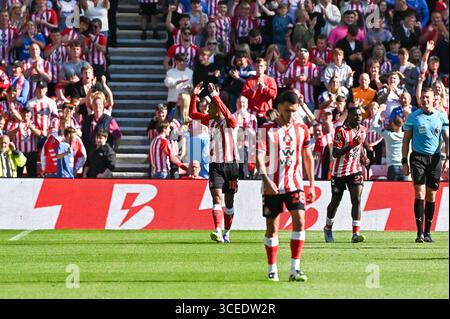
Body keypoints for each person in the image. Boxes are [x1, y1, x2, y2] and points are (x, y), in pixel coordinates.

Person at [256, 89, 316, 282]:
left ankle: (294, 269)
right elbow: (258, 156)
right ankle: (272, 269)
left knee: (300, 221)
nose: (291, 114)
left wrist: (311, 184)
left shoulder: (302, 129)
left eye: (294, 111)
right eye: (288, 110)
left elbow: (307, 157)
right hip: (272, 185)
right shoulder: (266, 129)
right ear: (279, 107)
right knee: (273, 228)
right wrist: (265, 179)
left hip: (295, 184)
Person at [189, 81, 239, 244]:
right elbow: (192, 114)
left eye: (211, 108)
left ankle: (227, 231)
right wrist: (194, 95)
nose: (208, 110)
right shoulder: (209, 120)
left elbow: (226, 112)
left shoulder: (231, 122)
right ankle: (217, 230)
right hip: (215, 165)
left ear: (218, 109)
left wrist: (215, 96)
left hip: (231, 165)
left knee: (229, 202)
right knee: (217, 198)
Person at [402, 88, 449, 243]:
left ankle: (428, 233)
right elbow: (406, 140)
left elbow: (447, 138)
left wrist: (448, 157)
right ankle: (419, 233)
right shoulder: (413, 117)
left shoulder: (441, 116)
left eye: (428, 97)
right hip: (418, 158)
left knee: (431, 195)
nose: (425, 100)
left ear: (434, 98)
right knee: (420, 194)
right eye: (423, 98)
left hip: (435, 159)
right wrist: (404, 161)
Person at [323, 107, 370, 243]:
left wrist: (363, 158)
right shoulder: (341, 131)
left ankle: (356, 233)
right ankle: (328, 228)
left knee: (357, 200)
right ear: (349, 116)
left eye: (360, 115)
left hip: (355, 170)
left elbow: (360, 147)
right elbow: (335, 153)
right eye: (356, 115)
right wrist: (350, 145)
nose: (359, 117)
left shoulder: (362, 131)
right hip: (339, 172)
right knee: (335, 201)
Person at [370, 103, 406, 181]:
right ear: (402, 124)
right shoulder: (406, 136)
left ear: (392, 124)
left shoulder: (388, 135)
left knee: (393, 192)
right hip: (405, 167)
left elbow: (374, 124)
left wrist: (379, 110)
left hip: (393, 168)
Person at [241, 58, 277, 127]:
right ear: (254, 67)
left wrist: (265, 88)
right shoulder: (249, 81)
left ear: (265, 68)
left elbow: (274, 95)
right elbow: (244, 96)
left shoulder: (270, 80)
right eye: (257, 66)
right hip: (252, 114)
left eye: (261, 66)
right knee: (252, 135)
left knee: (264, 136)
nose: (259, 68)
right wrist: (254, 88)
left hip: (266, 114)